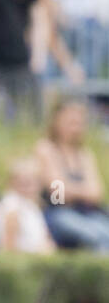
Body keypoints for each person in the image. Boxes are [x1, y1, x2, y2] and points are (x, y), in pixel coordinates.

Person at [34, 97, 109, 251]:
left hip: (86, 214)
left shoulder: (84, 154)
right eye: (71, 122)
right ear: (56, 122)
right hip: (57, 215)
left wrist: (71, 188)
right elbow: (59, 195)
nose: (75, 128)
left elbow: (97, 193)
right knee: (95, 235)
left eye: (79, 123)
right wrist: (83, 190)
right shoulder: (46, 149)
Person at [0, 157, 57, 253]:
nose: (28, 187)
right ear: (12, 182)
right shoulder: (12, 208)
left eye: (32, 182)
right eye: (23, 182)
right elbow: (7, 249)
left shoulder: (32, 205)